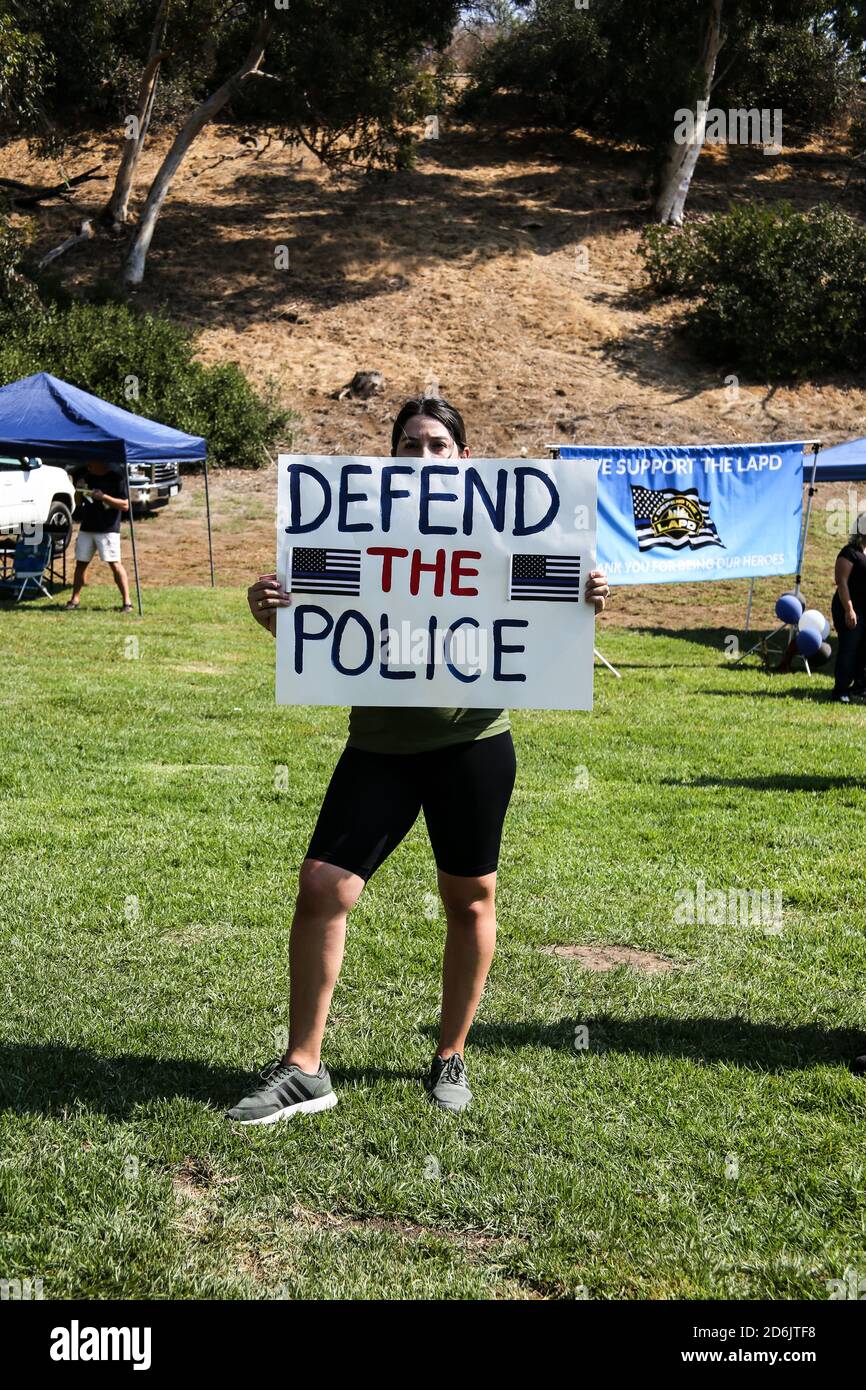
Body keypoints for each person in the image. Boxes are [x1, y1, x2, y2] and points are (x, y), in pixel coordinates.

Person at [227, 396, 610, 1124]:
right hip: (380, 745)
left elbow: (545, 609)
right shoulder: (350, 523)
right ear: (389, 458)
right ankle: (304, 1067)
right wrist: (271, 611)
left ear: (464, 459)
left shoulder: (505, 532)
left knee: (469, 900)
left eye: (438, 445)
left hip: (474, 744)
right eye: (409, 446)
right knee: (323, 887)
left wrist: (582, 594)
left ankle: (450, 1054)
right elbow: (322, 630)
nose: (424, 458)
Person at [65, 461, 132, 612]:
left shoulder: (116, 478)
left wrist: (103, 497)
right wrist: (79, 490)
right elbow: (78, 502)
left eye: (91, 463)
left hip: (108, 528)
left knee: (114, 564)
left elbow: (125, 505)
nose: (88, 466)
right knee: (80, 564)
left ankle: (127, 602)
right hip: (87, 527)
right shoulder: (87, 477)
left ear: (102, 463)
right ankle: (75, 599)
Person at [831, 512, 866, 703]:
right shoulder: (849, 552)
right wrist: (849, 610)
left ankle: (860, 687)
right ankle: (840, 690)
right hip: (850, 609)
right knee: (849, 648)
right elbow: (841, 582)